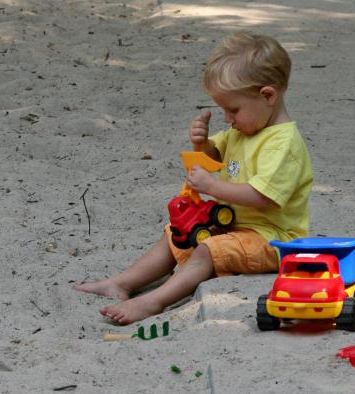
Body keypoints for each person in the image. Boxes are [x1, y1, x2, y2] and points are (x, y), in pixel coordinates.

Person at [76, 32, 312, 324]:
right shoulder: (246, 129)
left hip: (272, 240)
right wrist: (202, 144)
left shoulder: (282, 144)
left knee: (207, 250)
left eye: (233, 109)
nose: (228, 119)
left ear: (267, 96)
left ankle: (154, 301)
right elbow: (215, 157)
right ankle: (122, 283)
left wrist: (213, 187)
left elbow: (261, 196)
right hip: (237, 227)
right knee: (174, 234)